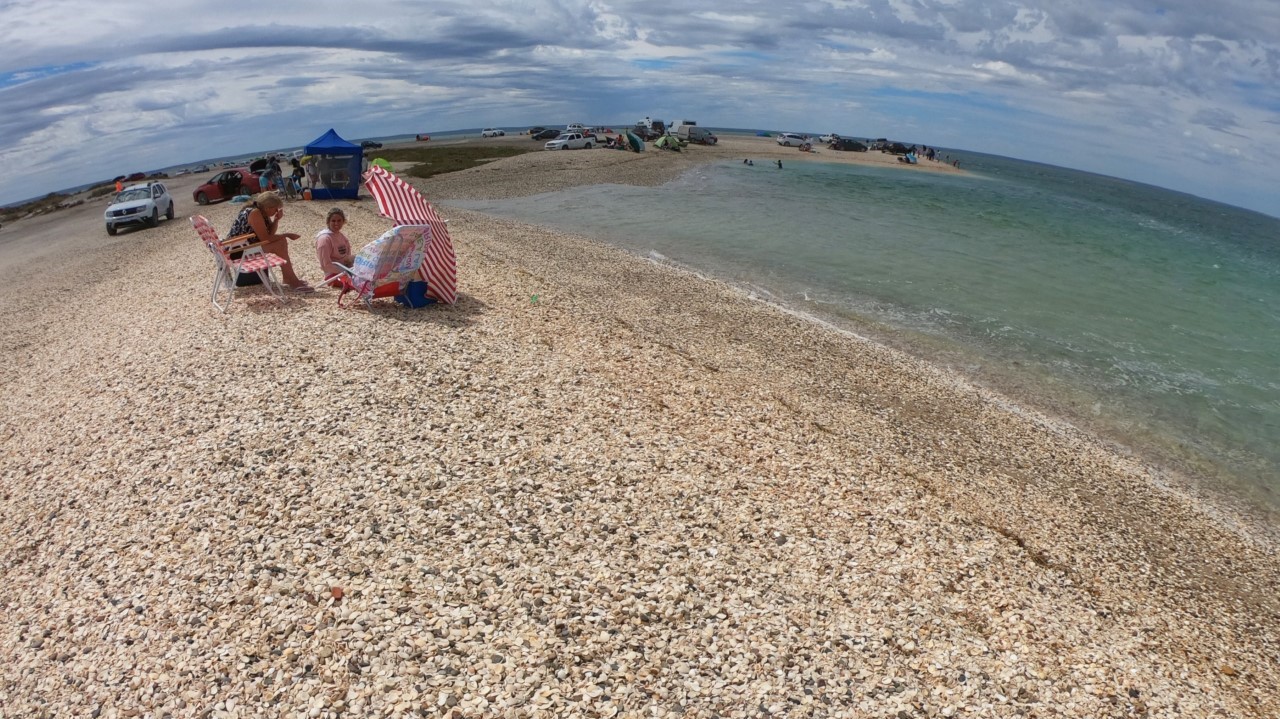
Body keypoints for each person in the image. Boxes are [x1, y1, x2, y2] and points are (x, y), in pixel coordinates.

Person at [225, 191, 312, 292]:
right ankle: (291, 280)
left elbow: (269, 234)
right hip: (239, 251)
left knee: (281, 242)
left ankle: (290, 278)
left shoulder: (260, 211)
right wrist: (287, 235)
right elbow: (265, 239)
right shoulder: (255, 213)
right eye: (275, 209)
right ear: (268, 207)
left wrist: (276, 220)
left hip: (245, 246)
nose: (276, 211)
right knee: (280, 244)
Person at [315, 207, 354, 286]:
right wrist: (348, 271)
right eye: (333, 221)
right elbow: (325, 265)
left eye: (339, 221)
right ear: (328, 222)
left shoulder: (342, 236)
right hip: (334, 275)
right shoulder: (324, 239)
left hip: (346, 269)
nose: (336, 223)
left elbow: (347, 257)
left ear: (343, 221)